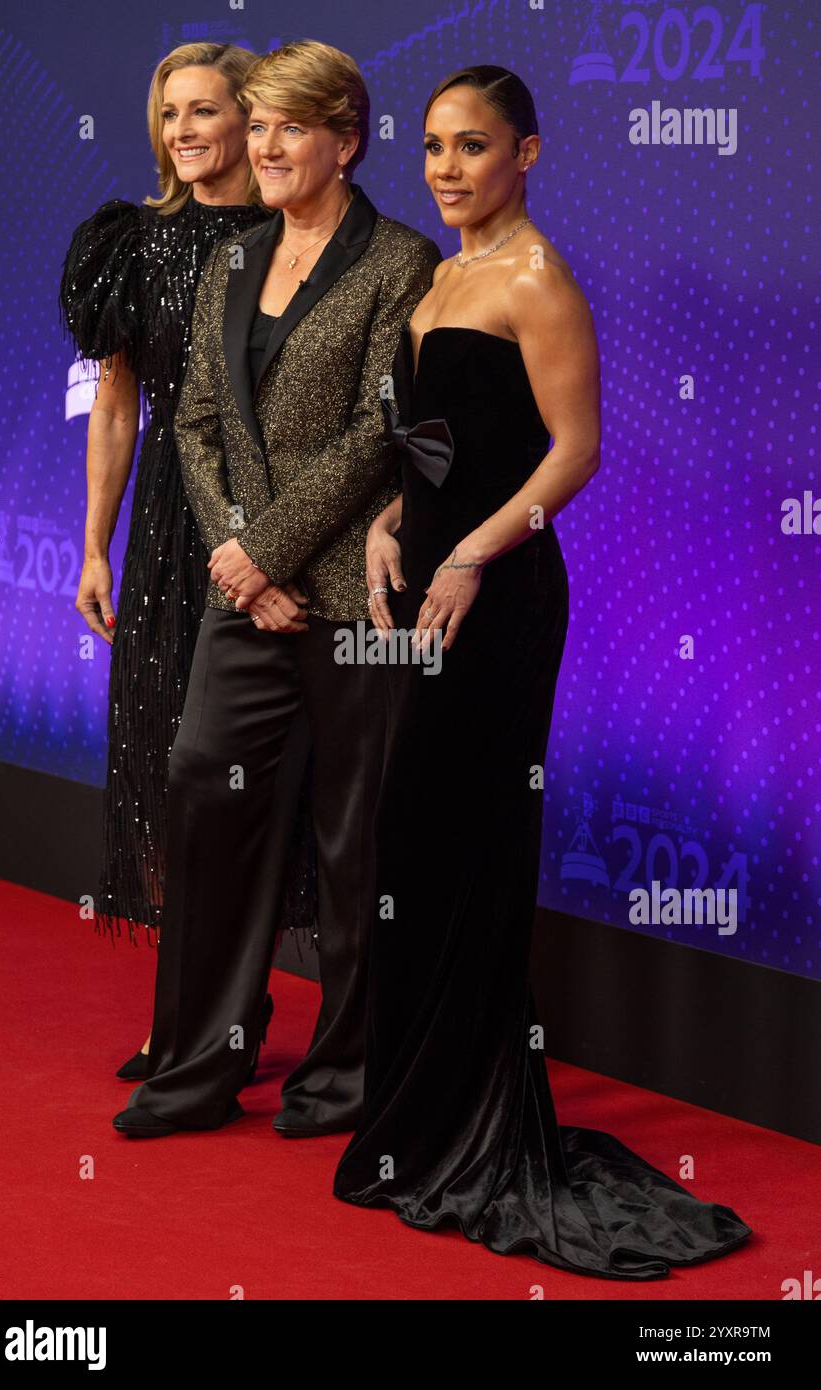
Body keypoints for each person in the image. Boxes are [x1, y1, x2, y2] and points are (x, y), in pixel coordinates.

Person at [333, 65, 752, 1278]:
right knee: (411, 842)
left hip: (501, 598)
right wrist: (384, 525)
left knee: (464, 844)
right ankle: (416, 1120)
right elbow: (431, 441)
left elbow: (575, 450)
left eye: (471, 147)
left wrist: (463, 552)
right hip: (430, 585)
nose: (445, 168)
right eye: (430, 148)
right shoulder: (439, 276)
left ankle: (472, 1127)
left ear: (526, 153)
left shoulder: (534, 278)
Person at [112, 40, 442, 1138]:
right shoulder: (231, 259)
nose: (262, 148)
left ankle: (344, 1073)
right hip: (242, 594)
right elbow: (195, 422)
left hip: (354, 601)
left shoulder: (400, 261)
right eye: (254, 127)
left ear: (343, 141)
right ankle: (199, 1062)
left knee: (357, 843)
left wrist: (274, 554)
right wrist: (238, 562)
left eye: (286, 128)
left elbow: (376, 436)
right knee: (208, 802)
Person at [58, 43, 303, 1082]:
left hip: (272, 520)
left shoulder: (292, 237)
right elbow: (115, 404)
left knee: (243, 776)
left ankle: (229, 1012)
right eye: (169, 114)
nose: (184, 132)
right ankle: (188, 1014)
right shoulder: (132, 243)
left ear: (252, 118)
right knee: (165, 763)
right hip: (163, 522)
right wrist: (92, 542)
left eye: (205, 111)